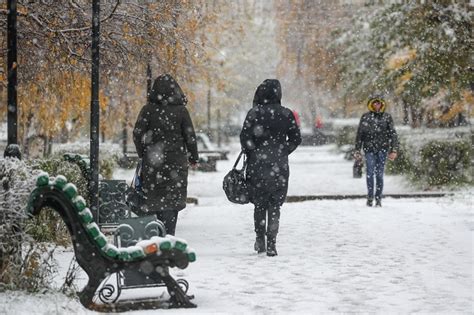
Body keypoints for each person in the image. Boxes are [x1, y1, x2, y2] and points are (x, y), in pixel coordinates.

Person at [240, 79, 302, 256]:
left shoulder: (254, 113)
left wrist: (254, 152)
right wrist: (283, 152)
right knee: (275, 205)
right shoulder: (286, 114)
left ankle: (260, 240)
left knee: (259, 204)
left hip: (257, 165)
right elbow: (296, 139)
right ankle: (272, 243)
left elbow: (245, 138)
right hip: (279, 167)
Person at [133, 74, 199, 235]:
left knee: (154, 199)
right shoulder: (181, 111)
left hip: (153, 162)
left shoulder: (148, 110)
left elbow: (137, 133)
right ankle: (169, 236)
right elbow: (190, 136)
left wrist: (143, 152)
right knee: (172, 201)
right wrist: (193, 157)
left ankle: (156, 237)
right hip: (176, 162)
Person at [354, 95, 398, 207]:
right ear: (371, 104)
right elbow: (360, 135)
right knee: (369, 173)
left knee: (379, 174)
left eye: (379, 103)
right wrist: (357, 150)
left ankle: (378, 198)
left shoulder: (387, 117)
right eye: (375, 103)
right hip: (369, 150)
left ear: (382, 104)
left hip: (382, 150)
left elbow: (393, 134)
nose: (377, 105)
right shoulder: (365, 117)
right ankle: (370, 197)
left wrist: (393, 149)